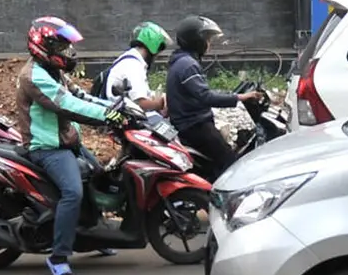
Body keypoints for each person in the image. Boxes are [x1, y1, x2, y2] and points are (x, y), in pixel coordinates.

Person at [19, 16, 123, 275]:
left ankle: (92, 235)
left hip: (68, 142)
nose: (67, 52)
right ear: (43, 47)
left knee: (99, 176)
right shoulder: (34, 77)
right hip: (47, 148)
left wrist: (116, 108)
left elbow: (81, 96)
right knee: (73, 192)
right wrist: (105, 116)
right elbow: (68, 105)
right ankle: (59, 256)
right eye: (61, 46)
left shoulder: (55, 72)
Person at [166, 15, 259, 182]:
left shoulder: (182, 61)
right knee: (229, 163)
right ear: (196, 40)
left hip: (190, 123)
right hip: (194, 125)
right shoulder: (187, 64)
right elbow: (205, 96)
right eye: (207, 39)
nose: (209, 43)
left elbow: (200, 91)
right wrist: (239, 97)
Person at [103, 21, 170, 107]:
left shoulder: (129, 59)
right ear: (153, 47)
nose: (157, 56)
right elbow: (141, 103)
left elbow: (143, 93)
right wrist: (159, 104)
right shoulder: (133, 66)